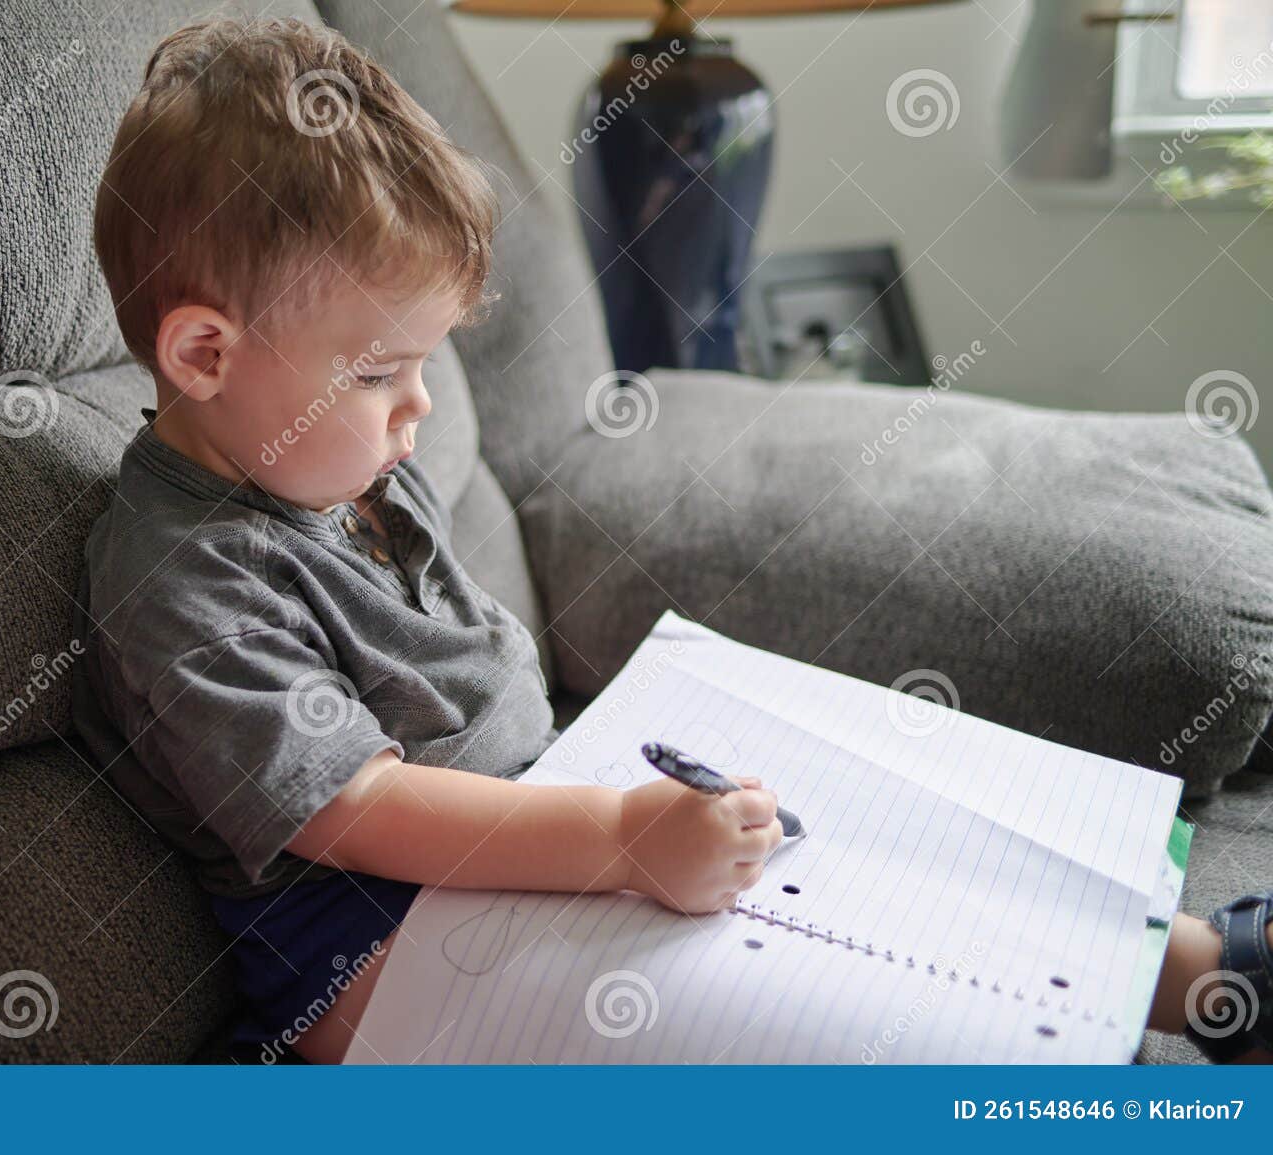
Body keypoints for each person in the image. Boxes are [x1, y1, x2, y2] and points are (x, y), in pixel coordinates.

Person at [72, 15, 1273, 1066]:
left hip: (522, 824)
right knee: (798, 974)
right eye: (382, 370)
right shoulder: (181, 572)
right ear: (204, 356)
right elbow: (352, 811)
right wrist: (613, 842)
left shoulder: (340, 463)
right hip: (368, 954)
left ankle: (1208, 964)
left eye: (427, 361)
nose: (421, 405)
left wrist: (619, 824)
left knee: (822, 829)